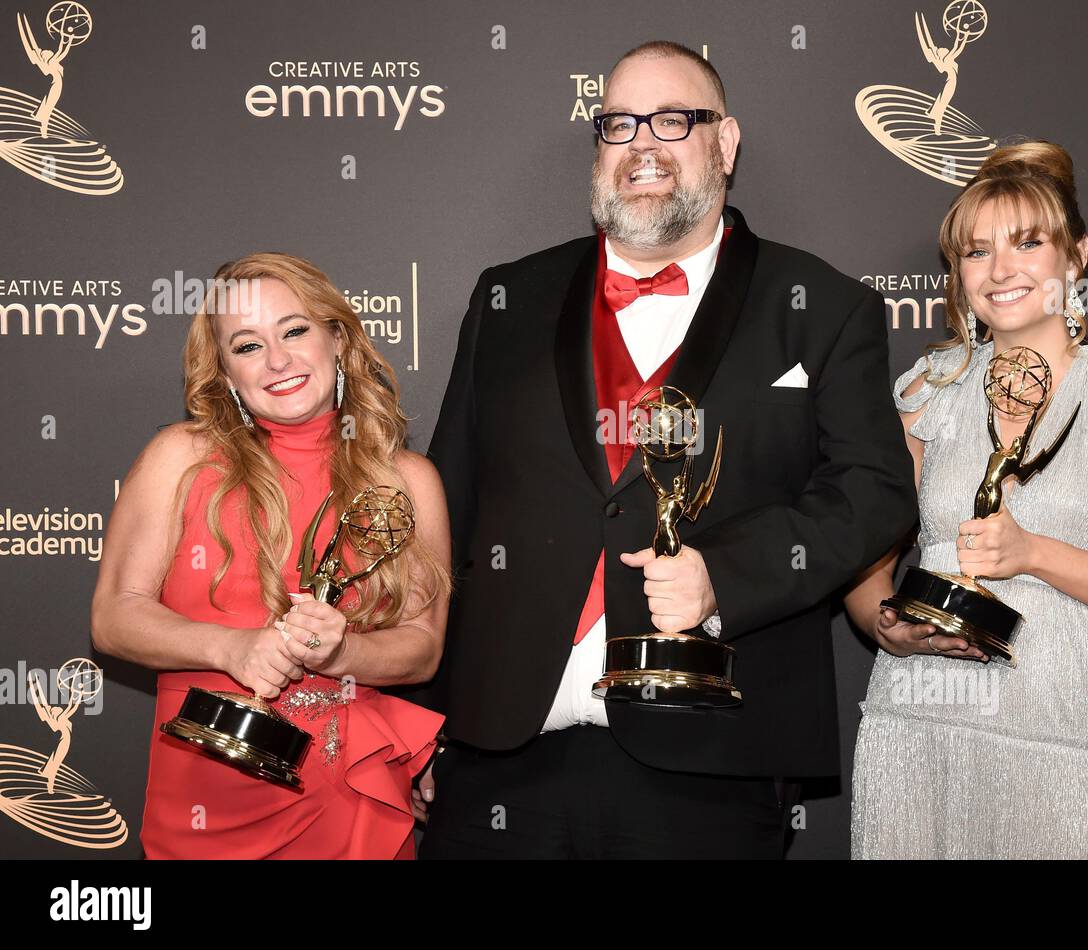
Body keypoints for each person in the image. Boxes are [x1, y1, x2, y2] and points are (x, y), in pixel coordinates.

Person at [412, 40, 916, 859]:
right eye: (618, 124)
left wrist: (729, 573)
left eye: (673, 120)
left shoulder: (822, 306)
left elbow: (875, 492)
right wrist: (419, 717)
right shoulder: (508, 297)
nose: (642, 143)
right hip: (499, 757)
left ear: (726, 143)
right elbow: (447, 514)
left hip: (710, 762)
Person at [845, 141, 1088, 859]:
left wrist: (1035, 554)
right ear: (955, 273)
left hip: (1064, 754)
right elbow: (867, 563)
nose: (1001, 269)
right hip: (917, 739)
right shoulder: (930, 393)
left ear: (1075, 256)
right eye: (975, 251)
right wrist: (883, 624)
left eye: (1027, 242)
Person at [91, 252, 451, 859]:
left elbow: (422, 648)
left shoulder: (407, 482)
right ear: (226, 372)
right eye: (248, 345)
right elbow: (115, 617)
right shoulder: (181, 458)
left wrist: (343, 651)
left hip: (347, 794)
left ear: (336, 337)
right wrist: (227, 647)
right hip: (209, 791)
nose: (278, 361)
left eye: (294, 330)